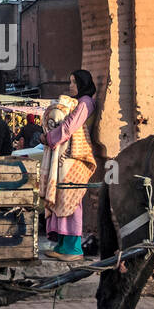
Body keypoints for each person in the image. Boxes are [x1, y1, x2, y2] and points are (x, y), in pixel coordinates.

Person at [41, 70, 98, 261]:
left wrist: (48, 137)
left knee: (71, 200)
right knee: (62, 198)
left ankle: (73, 249)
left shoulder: (85, 103)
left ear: (82, 84)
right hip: (66, 156)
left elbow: (68, 128)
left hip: (74, 158)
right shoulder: (79, 103)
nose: (70, 86)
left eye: (73, 82)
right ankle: (62, 246)